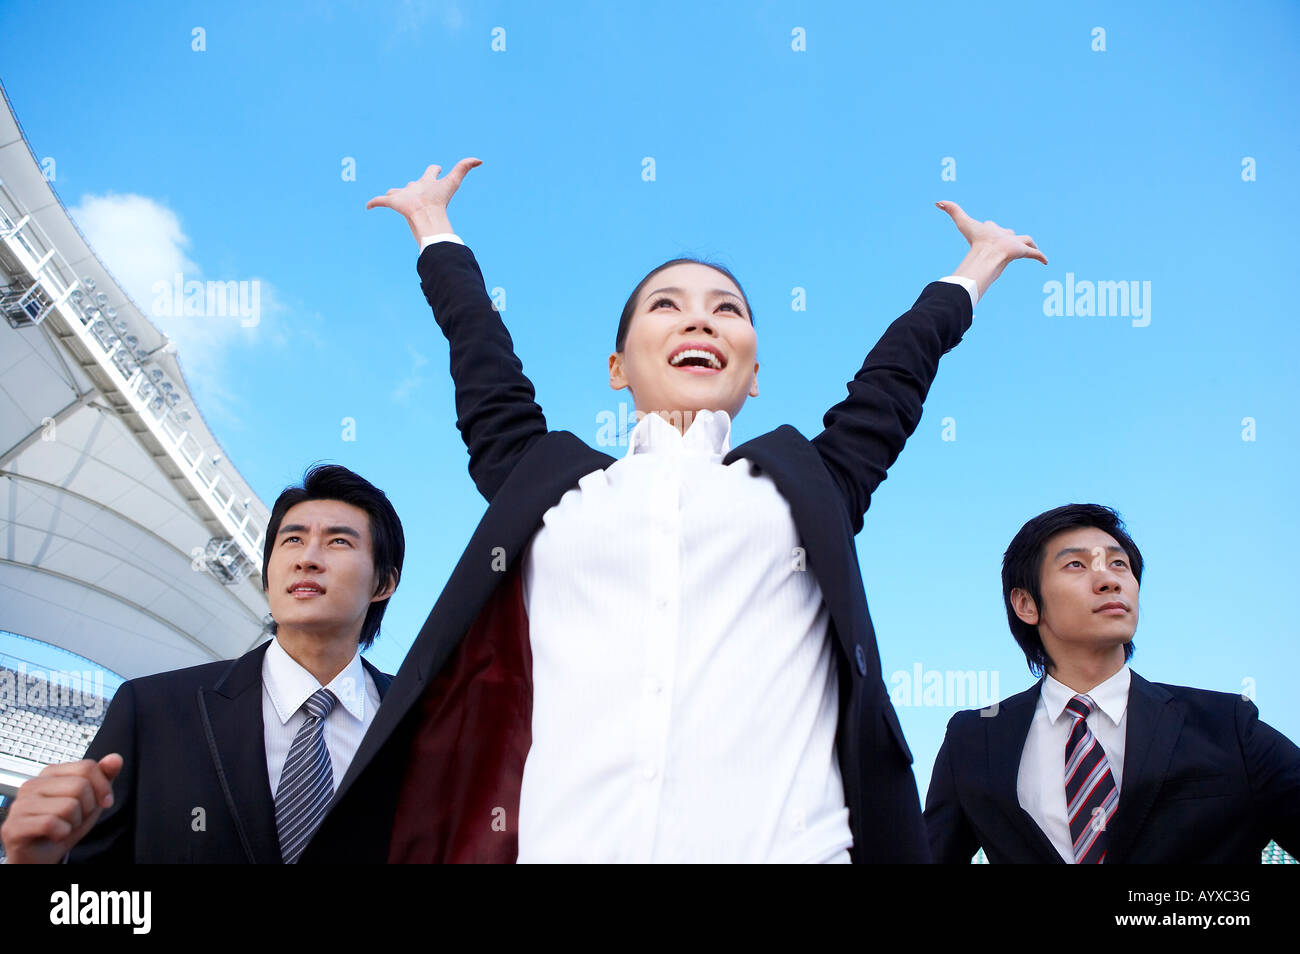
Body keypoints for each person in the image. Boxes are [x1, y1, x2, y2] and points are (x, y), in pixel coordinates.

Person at [303, 159, 1045, 863]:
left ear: (753, 375)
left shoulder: (810, 486)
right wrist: (434, 229)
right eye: (668, 305)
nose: (702, 322)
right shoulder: (551, 489)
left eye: (728, 311)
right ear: (618, 368)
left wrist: (975, 267)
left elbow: (896, 375)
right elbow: (481, 353)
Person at [0, 464, 404, 863]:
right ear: (267, 576)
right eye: (292, 540)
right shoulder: (151, 709)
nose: (307, 559)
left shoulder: (424, 721)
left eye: (338, 542)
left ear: (383, 583)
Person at [924, 503, 1300, 863]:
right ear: (1026, 603)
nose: (1109, 580)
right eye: (1076, 564)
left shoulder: (1227, 725)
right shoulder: (973, 738)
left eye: (1119, 564)